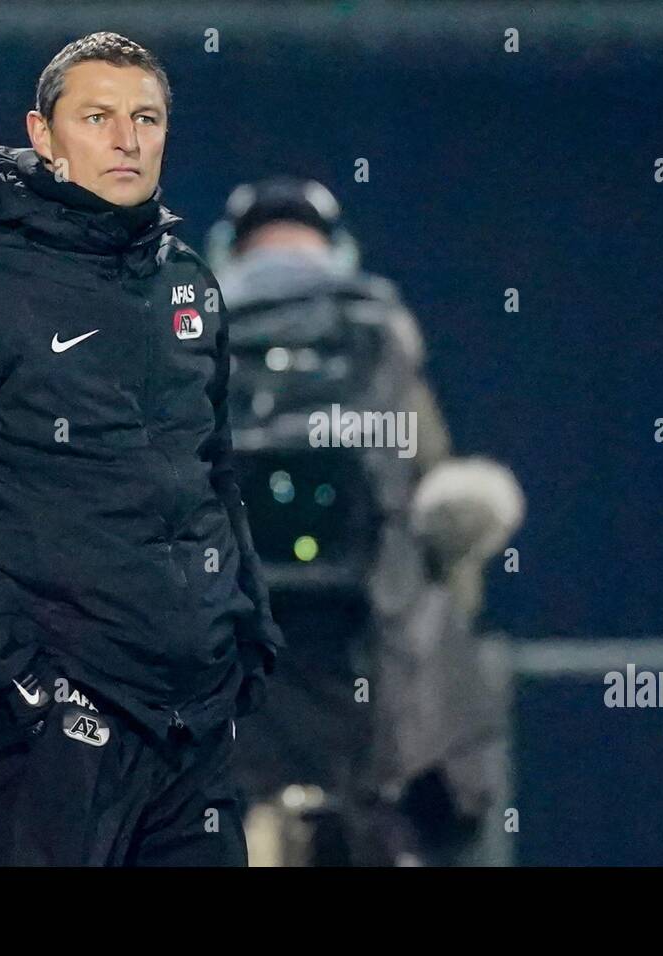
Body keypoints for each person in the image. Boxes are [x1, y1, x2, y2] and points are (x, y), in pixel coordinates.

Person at [0, 32, 284, 866]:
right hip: (56, 741)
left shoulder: (187, 282)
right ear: (43, 136)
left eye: (146, 117)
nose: (127, 138)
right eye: (98, 116)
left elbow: (213, 470)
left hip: (195, 733)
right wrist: (27, 683)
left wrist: (248, 637)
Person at [207, 178, 523, 864]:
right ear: (336, 247)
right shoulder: (378, 338)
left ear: (229, 250)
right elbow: (432, 499)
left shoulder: (186, 337)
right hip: (368, 673)